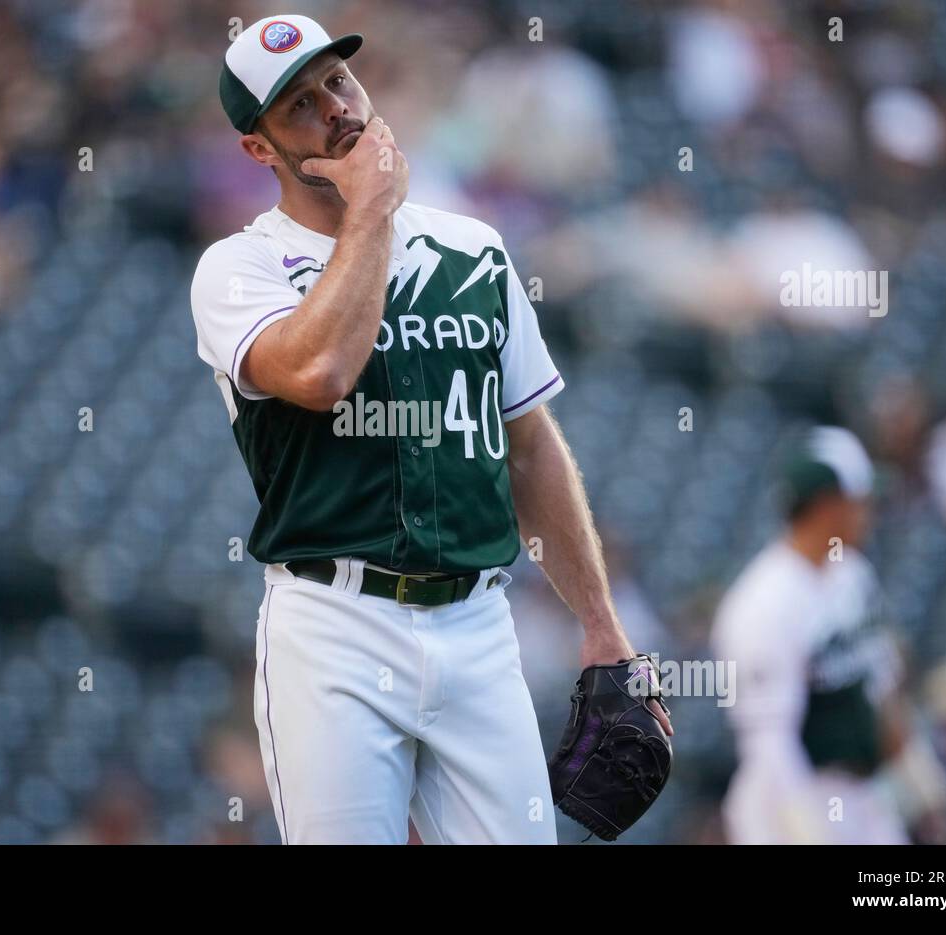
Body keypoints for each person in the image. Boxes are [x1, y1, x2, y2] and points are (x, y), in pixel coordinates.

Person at [191, 14, 670, 844]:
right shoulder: (239, 267)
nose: (335, 108)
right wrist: (370, 209)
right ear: (259, 150)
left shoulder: (474, 250)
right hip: (334, 628)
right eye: (299, 105)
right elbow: (319, 373)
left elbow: (529, 442)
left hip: (478, 623)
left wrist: (601, 624)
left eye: (338, 81)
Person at [711, 426, 908, 844]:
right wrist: (808, 833)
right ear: (826, 506)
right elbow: (769, 745)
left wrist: (920, 791)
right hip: (789, 800)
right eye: (861, 501)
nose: (869, 512)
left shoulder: (854, 576)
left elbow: (883, 695)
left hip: (862, 792)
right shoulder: (761, 603)